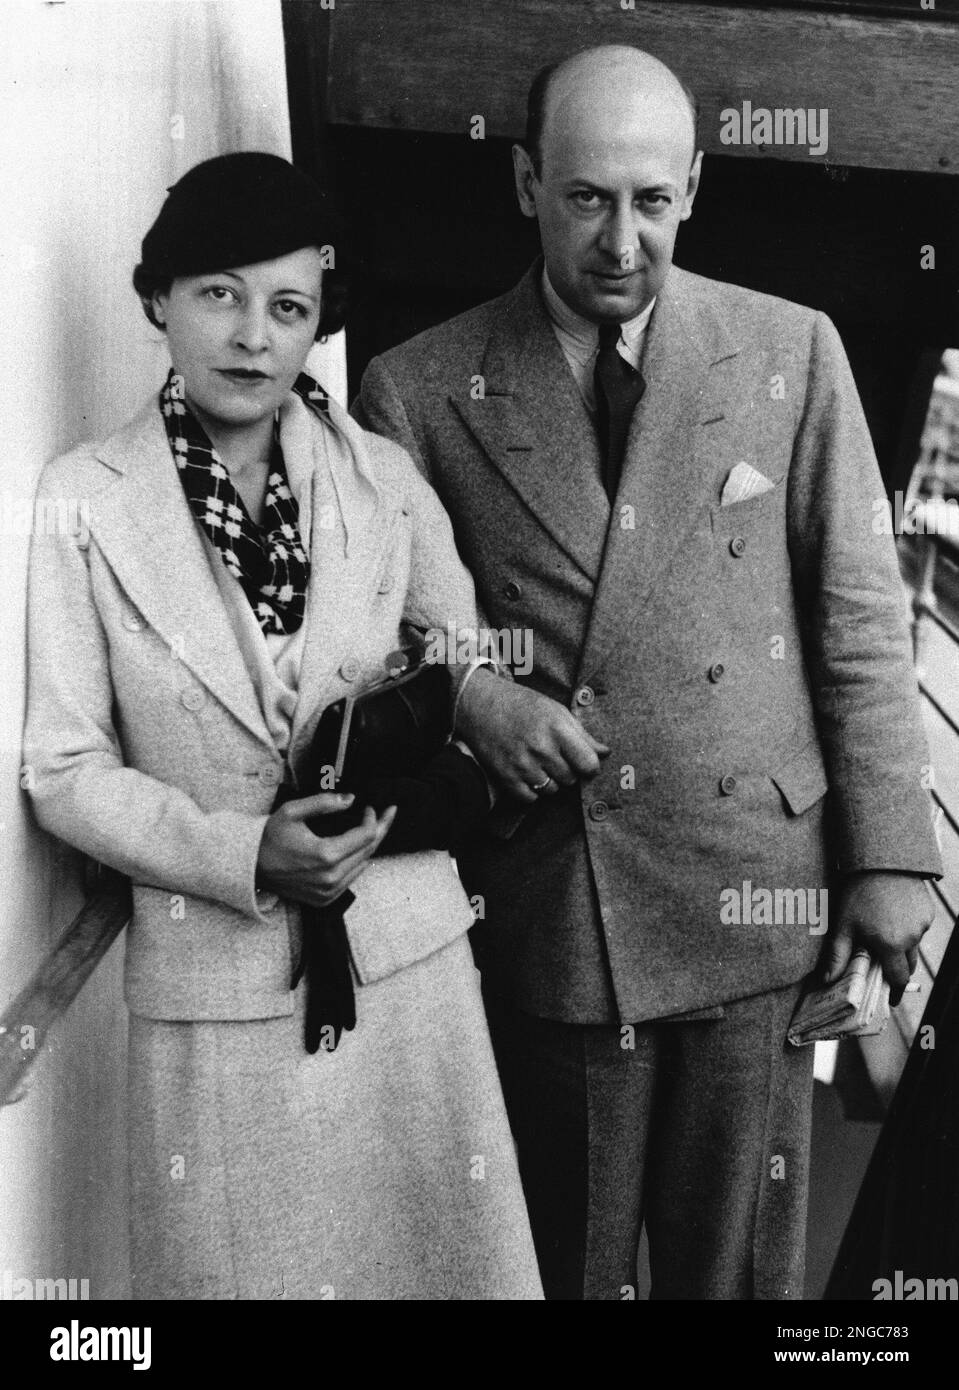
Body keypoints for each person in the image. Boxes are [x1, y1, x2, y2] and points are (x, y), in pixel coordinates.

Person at [353, 45, 942, 1300]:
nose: (620, 240)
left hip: (755, 898)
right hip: (558, 904)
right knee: (553, 1269)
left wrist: (888, 860)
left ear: (691, 188)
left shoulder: (794, 350)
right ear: (525, 183)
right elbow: (381, 621)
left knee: (734, 1278)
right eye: (583, 198)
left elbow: (855, 618)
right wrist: (471, 691)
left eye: (649, 200)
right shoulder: (413, 387)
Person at [23, 151, 542, 1300]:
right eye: (218, 292)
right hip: (214, 992)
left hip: (407, 974)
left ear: (319, 328)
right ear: (156, 297)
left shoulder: (387, 480)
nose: (253, 334)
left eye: (289, 306)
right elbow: (62, 768)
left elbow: (460, 670)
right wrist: (243, 850)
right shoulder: (81, 497)